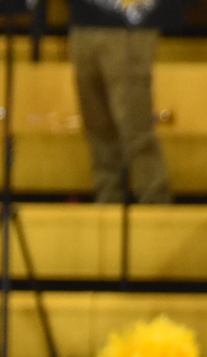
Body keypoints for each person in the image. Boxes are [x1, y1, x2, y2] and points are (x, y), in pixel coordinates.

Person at [66, 0, 178, 204]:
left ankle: (155, 213)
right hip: (83, 21)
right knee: (98, 131)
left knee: (135, 130)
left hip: (128, 22)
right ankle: (108, 210)